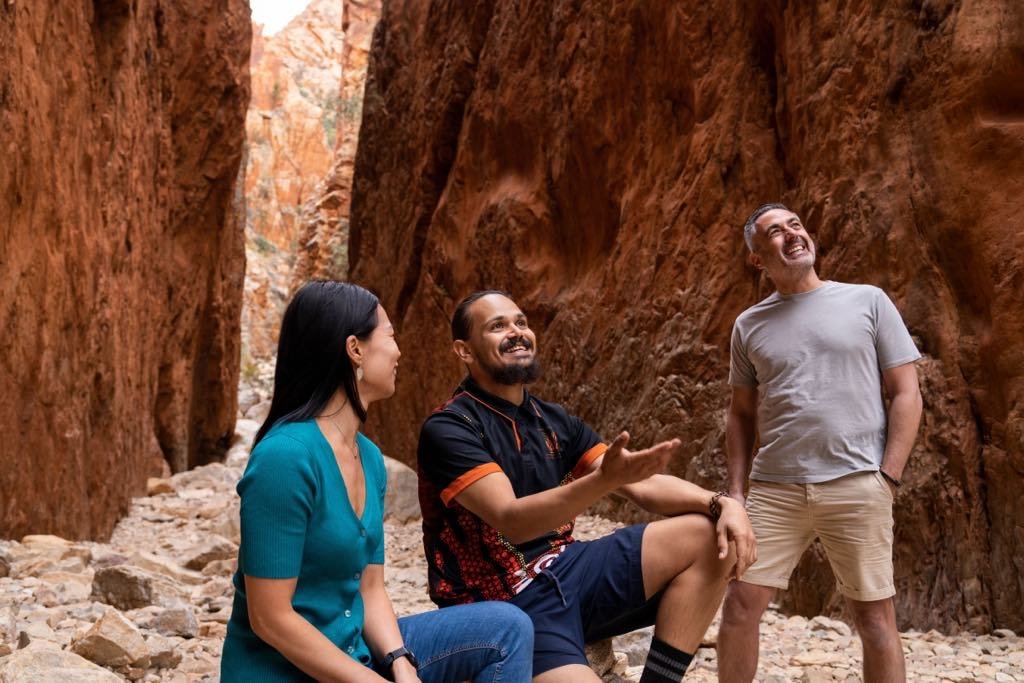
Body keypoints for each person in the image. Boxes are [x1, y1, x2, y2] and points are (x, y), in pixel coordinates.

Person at [416, 290, 758, 682]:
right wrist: (603, 481)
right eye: (497, 327)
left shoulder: (552, 419)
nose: (517, 332)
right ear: (464, 350)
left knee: (707, 533)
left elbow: (642, 485)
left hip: (571, 572)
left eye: (521, 322)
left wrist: (722, 504)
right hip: (507, 608)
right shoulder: (450, 427)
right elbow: (512, 520)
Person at [221, 281, 534, 683]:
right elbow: (271, 619)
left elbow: (370, 588)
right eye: (390, 337)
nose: (399, 351)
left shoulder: (368, 457)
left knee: (507, 627)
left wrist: (400, 663)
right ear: (355, 349)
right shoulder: (284, 458)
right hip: (285, 672)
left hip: (357, 654)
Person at [716, 204, 923, 683]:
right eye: (774, 231)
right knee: (739, 608)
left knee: (875, 621)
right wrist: (738, 494)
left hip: (857, 483)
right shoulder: (748, 325)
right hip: (775, 490)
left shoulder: (867, 301)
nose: (791, 234)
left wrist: (887, 476)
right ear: (756, 258)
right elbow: (741, 414)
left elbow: (907, 392)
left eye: (796, 225)